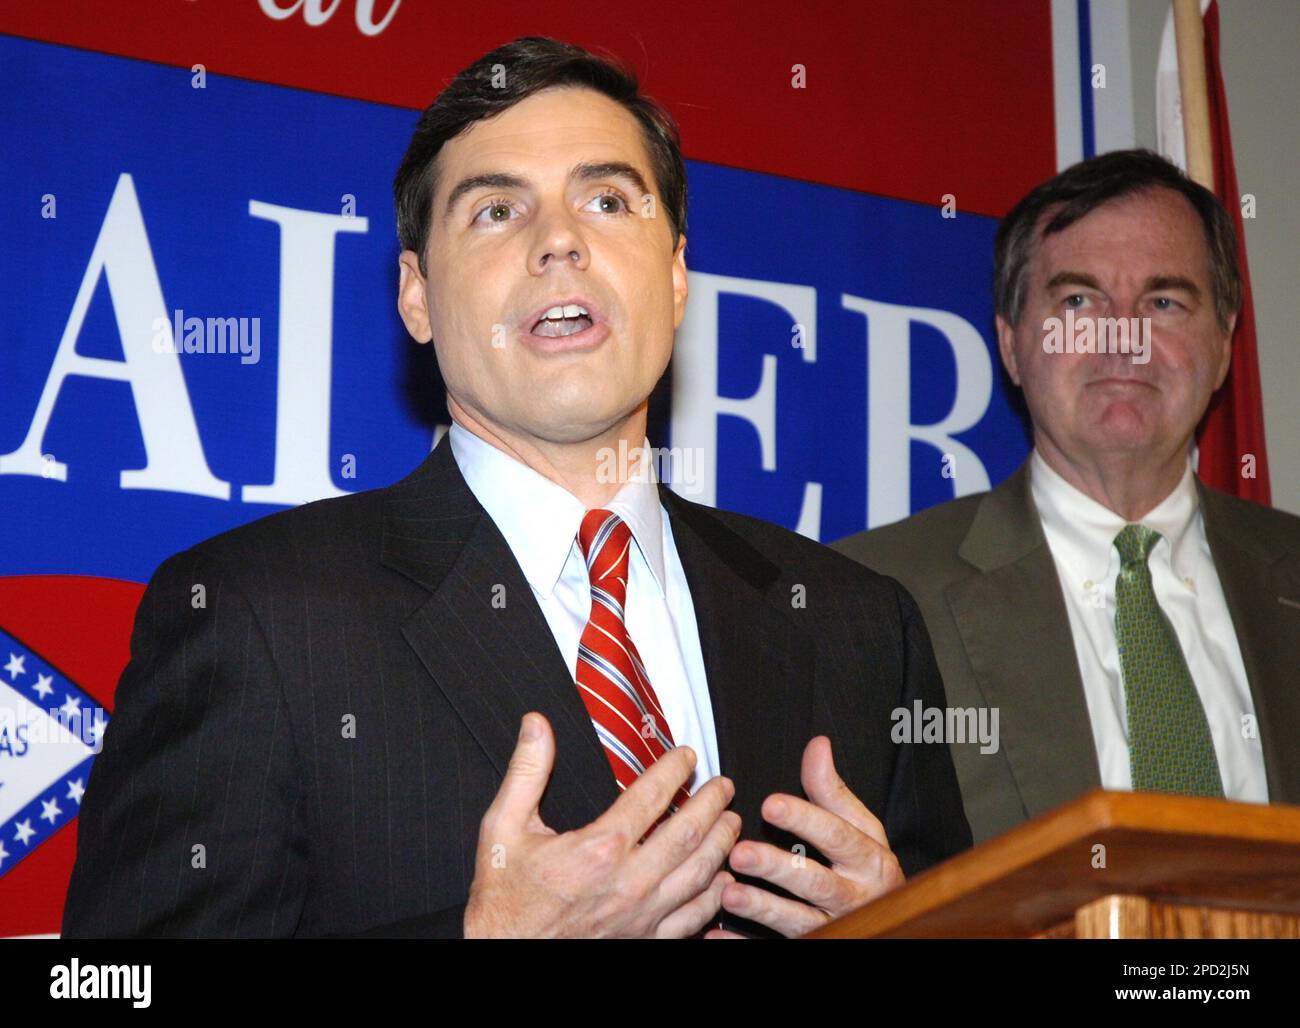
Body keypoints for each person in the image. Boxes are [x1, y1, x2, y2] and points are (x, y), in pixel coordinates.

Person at [62, 36, 971, 939]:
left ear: (679, 272)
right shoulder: (258, 616)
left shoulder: (858, 627)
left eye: (608, 200)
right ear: (416, 295)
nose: (562, 243)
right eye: (497, 211)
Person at [835, 149, 1300, 845]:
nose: (1122, 339)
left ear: (1224, 342)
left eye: (1164, 302)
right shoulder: (873, 601)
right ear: (1013, 345)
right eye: (1078, 301)